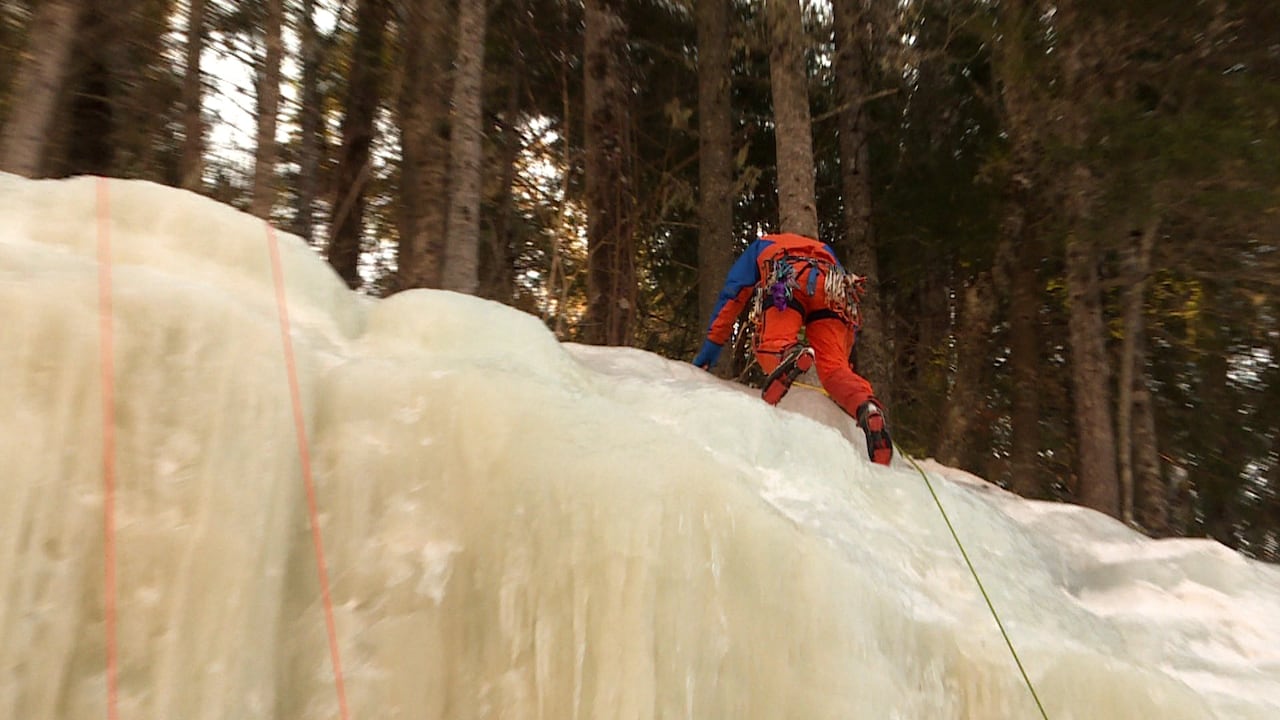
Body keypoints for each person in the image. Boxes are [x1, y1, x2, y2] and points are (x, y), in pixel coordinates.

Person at [692, 232, 893, 465]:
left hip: (787, 276)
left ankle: (788, 354)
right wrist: (843, 356)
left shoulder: (762, 245)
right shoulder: (824, 249)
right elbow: (848, 323)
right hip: (832, 286)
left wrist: (712, 347)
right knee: (835, 370)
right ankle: (867, 407)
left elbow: (733, 294)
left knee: (772, 343)